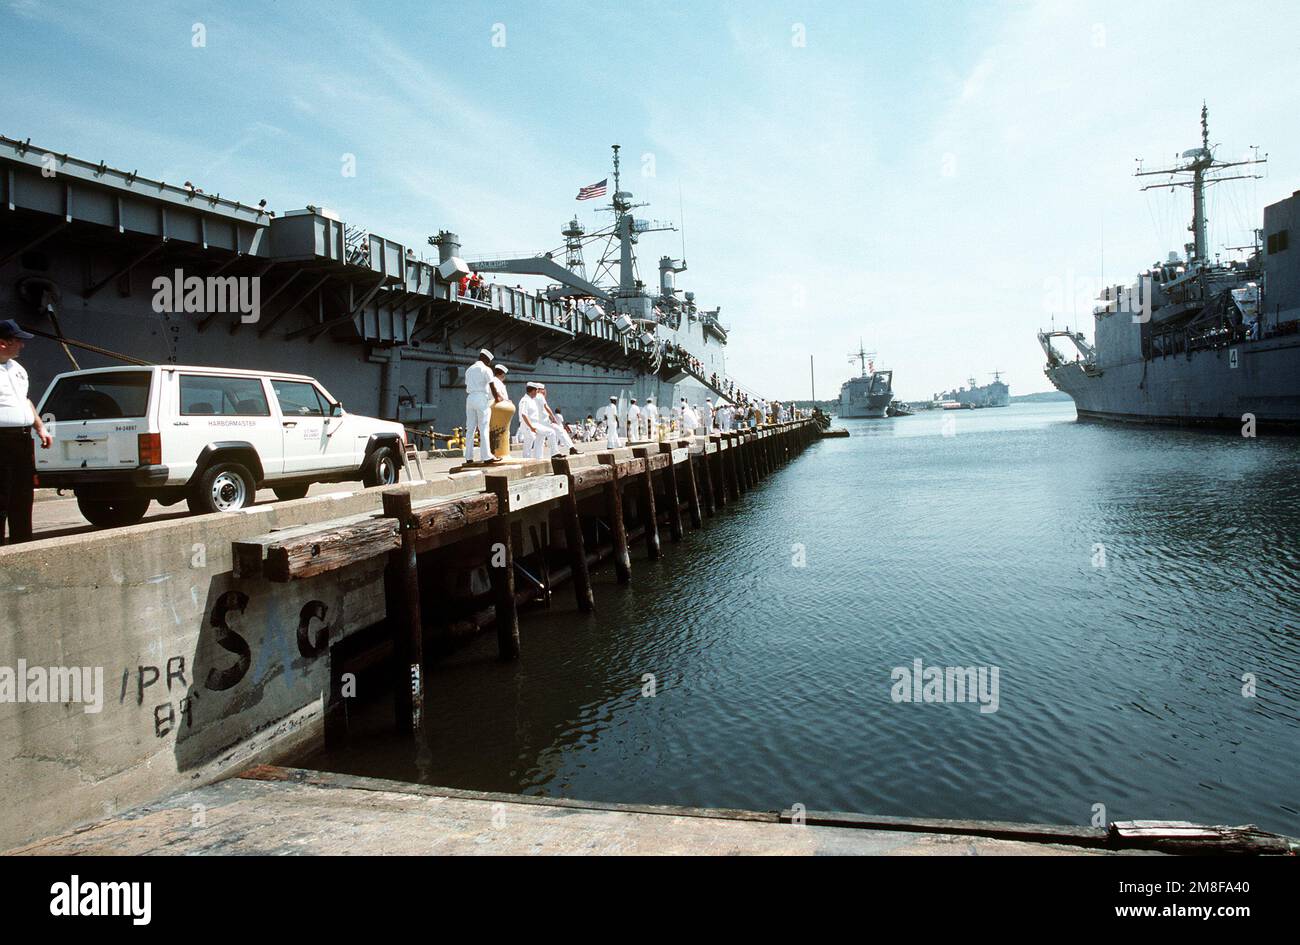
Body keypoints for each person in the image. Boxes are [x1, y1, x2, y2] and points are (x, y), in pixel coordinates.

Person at [0, 320, 52, 544]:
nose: (22, 345)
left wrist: (40, 427)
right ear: (2, 343)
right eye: (18, 341)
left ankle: (23, 544)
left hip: (20, 438)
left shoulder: (18, 369)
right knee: (1, 496)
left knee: (22, 495)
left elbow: (24, 400)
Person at [463, 348, 497, 464]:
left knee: (470, 429)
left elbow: (467, 384)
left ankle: (468, 457)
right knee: (483, 427)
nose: (489, 363)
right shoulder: (486, 369)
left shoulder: (469, 370)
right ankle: (486, 456)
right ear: (486, 359)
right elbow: (492, 386)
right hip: (481, 397)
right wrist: (497, 399)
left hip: (470, 398)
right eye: (489, 361)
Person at [517, 383, 556, 459]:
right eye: (536, 391)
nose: (537, 393)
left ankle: (540, 457)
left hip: (535, 424)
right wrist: (531, 426)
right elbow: (524, 414)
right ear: (532, 391)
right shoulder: (525, 400)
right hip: (528, 425)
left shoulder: (531, 400)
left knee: (549, 433)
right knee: (529, 442)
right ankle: (526, 460)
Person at [488, 364, 514, 460]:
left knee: (501, 431)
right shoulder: (496, 381)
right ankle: (498, 453)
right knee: (498, 431)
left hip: (497, 408)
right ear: (502, 374)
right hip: (497, 408)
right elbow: (497, 393)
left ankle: (498, 453)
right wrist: (506, 401)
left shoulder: (496, 381)